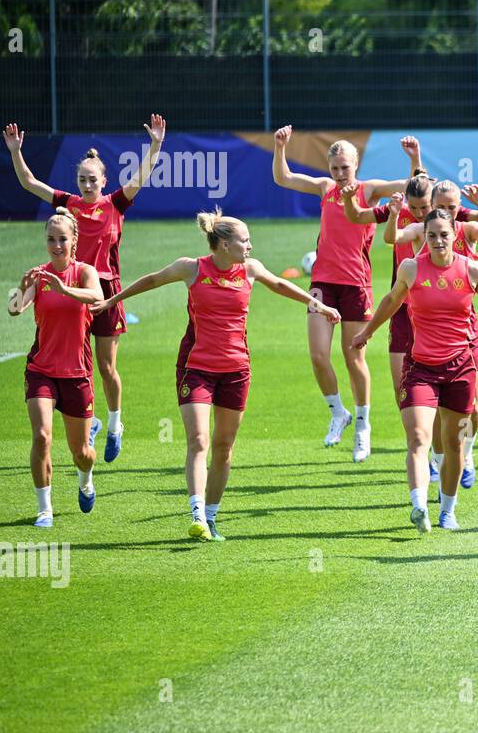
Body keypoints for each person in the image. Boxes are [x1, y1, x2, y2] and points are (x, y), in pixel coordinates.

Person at [94, 210, 342, 541]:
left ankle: (211, 517)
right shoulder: (192, 268)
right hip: (196, 368)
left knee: (224, 446)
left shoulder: (250, 270)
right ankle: (196, 513)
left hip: (236, 370)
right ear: (224, 244)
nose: (250, 246)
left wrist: (320, 306)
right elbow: (152, 279)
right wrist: (112, 300)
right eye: (245, 240)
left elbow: (281, 284)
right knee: (198, 440)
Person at [350, 209, 478, 533]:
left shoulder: (472, 270)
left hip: (459, 369)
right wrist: (367, 332)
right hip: (420, 368)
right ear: (424, 237)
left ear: (455, 235)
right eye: (432, 235)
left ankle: (447, 511)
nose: (438, 240)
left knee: (453, 445)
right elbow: (390, 301)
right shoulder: (411, 269)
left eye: (444, 234)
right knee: (419, 438)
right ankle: (419, 505)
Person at [3, 115, 167, 462]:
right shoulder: (69, 206)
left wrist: (155, 145)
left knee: (107, 367)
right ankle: (86, 419)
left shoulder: (115, 204)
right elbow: (30, 182)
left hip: (106, 293)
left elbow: (141, 177)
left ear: (104, 181)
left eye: (93, 180)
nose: (88, 185)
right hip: (70, 291)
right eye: (82, 180)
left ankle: (114, 424)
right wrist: (16, 152)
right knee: (77, 364)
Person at [272, 126, 416, 461]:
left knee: (354, 357)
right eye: (334, 168)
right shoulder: (324, 188)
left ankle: (363, 424)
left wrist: (414, 160)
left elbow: (412, 187)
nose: (339, 175)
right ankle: (339, 412)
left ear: (355, 166)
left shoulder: (370, 190)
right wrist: (281, 147)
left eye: (345, 169)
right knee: (318, 356)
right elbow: (285, 178)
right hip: (323, 282)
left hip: (356, 284)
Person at [384, 180, 478, 488]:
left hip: (466, 330)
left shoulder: (466, 230)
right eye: (442, 206)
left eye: (453, 207)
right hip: (425, 325)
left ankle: (467, 451)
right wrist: (395, 214)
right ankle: (437, 461)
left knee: (473, 406)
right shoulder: (425, 233)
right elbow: (392, 237)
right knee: (430, 405)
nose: (448, 212)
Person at [9, 210, 103, 527]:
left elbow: (96, 296)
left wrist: (64, 289)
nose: (57, 245)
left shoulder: (84, 272)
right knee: (42, 437)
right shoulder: (40, 275)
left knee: (82, 453)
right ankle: (44, 509)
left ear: (74, 240)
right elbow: (14, 310)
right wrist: (21, 288)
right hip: (42, 370)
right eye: (51, 239)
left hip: (77, 374)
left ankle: (86, 479)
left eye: (62, 239)